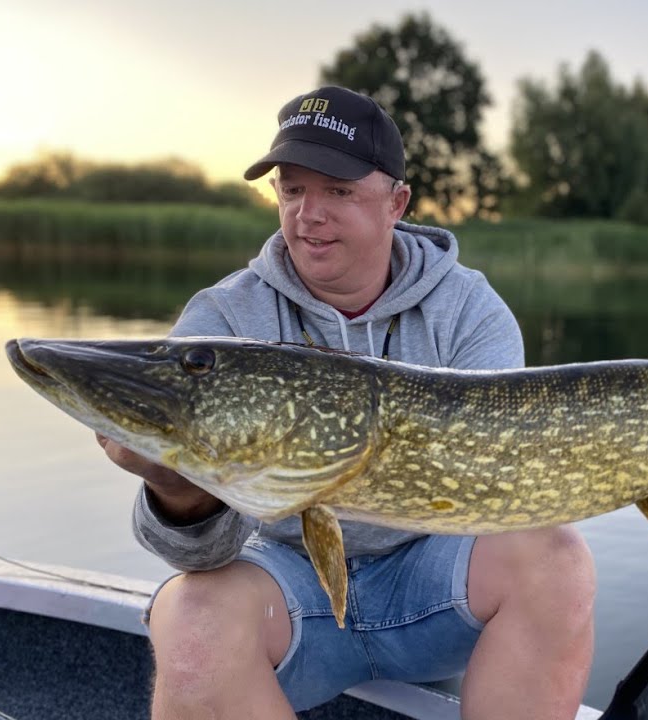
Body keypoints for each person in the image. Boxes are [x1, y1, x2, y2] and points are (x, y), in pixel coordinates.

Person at [97, 85, 597, 720]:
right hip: (286, 584)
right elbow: (196, 556)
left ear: (397, 203)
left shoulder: (468, 311)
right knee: (189, 621)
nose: (309, 213)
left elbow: (493, 495)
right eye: (293, 188)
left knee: (556, 559)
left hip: (431, 586)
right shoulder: (221, 320)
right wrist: (176, 489)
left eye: (337, 190)